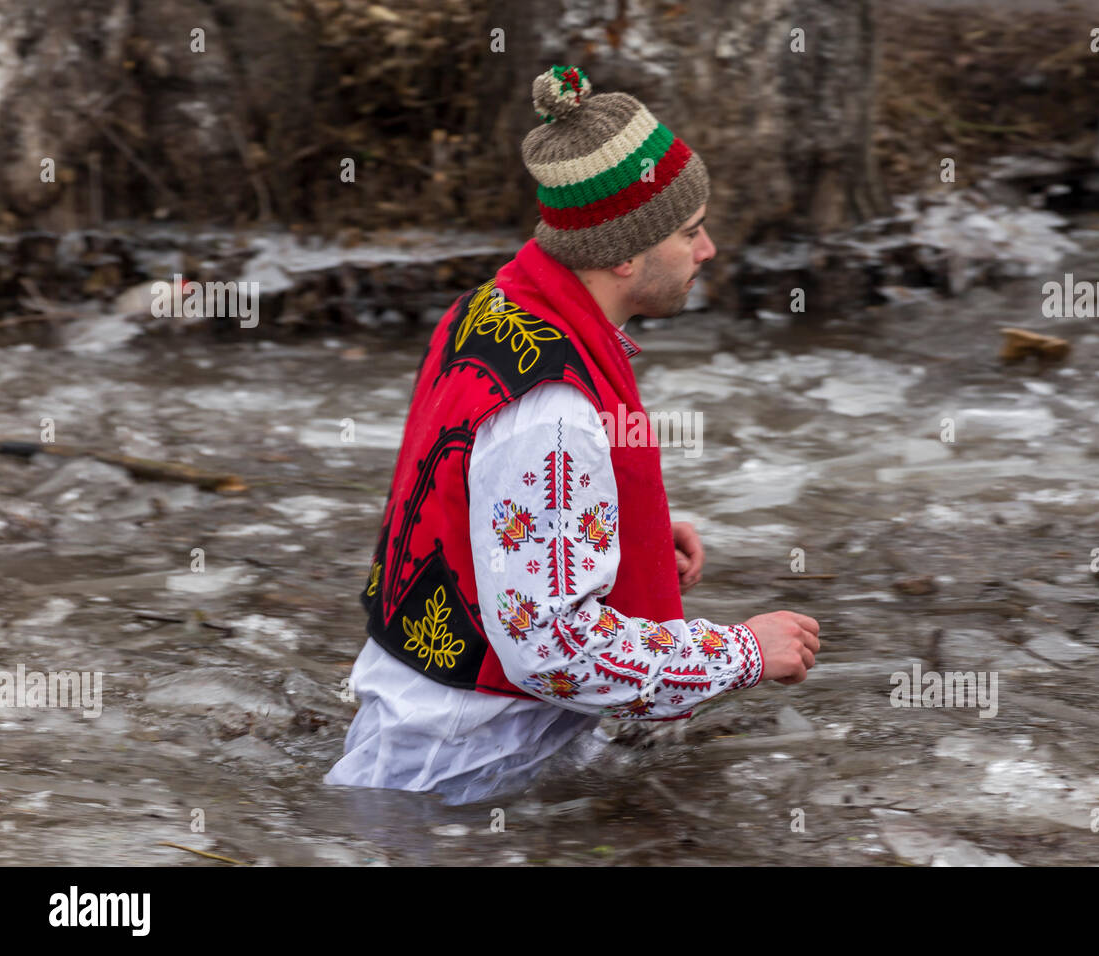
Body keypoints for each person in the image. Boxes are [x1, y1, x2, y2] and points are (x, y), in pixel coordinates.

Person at [324, 65, 821, 804]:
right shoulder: (553, 412)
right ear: (623, 253)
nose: (708, 250)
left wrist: (620, 531)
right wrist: (742, 652)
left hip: (432, 734)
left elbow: (471, 498)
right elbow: (553, 649)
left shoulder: (489, 308)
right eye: (691, 232)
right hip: (457, 782)